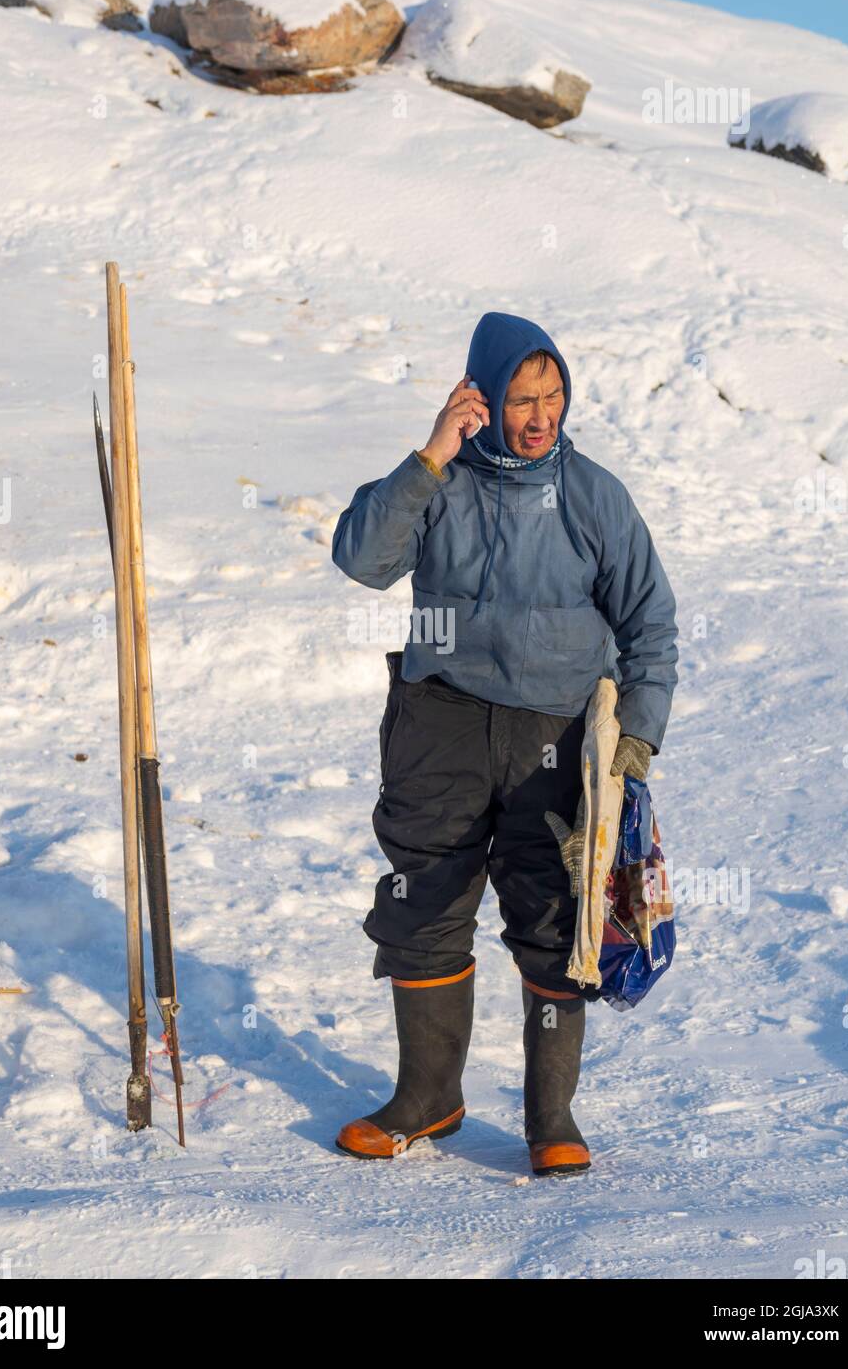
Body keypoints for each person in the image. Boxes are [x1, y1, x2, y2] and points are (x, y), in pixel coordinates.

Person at [329, 311, 678, 1176]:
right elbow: (362, 560)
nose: (539, 415)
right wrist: (429, 455)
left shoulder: (594, 496)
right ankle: (427, 1099)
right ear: (480, 397)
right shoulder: (440, 480)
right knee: (423, 901)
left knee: (555, 916)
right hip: (438, 722)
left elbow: (650, 626)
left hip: (554, 738)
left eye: (552, 395)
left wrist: (635, 737)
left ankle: (550, 1117)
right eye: (521, 398)